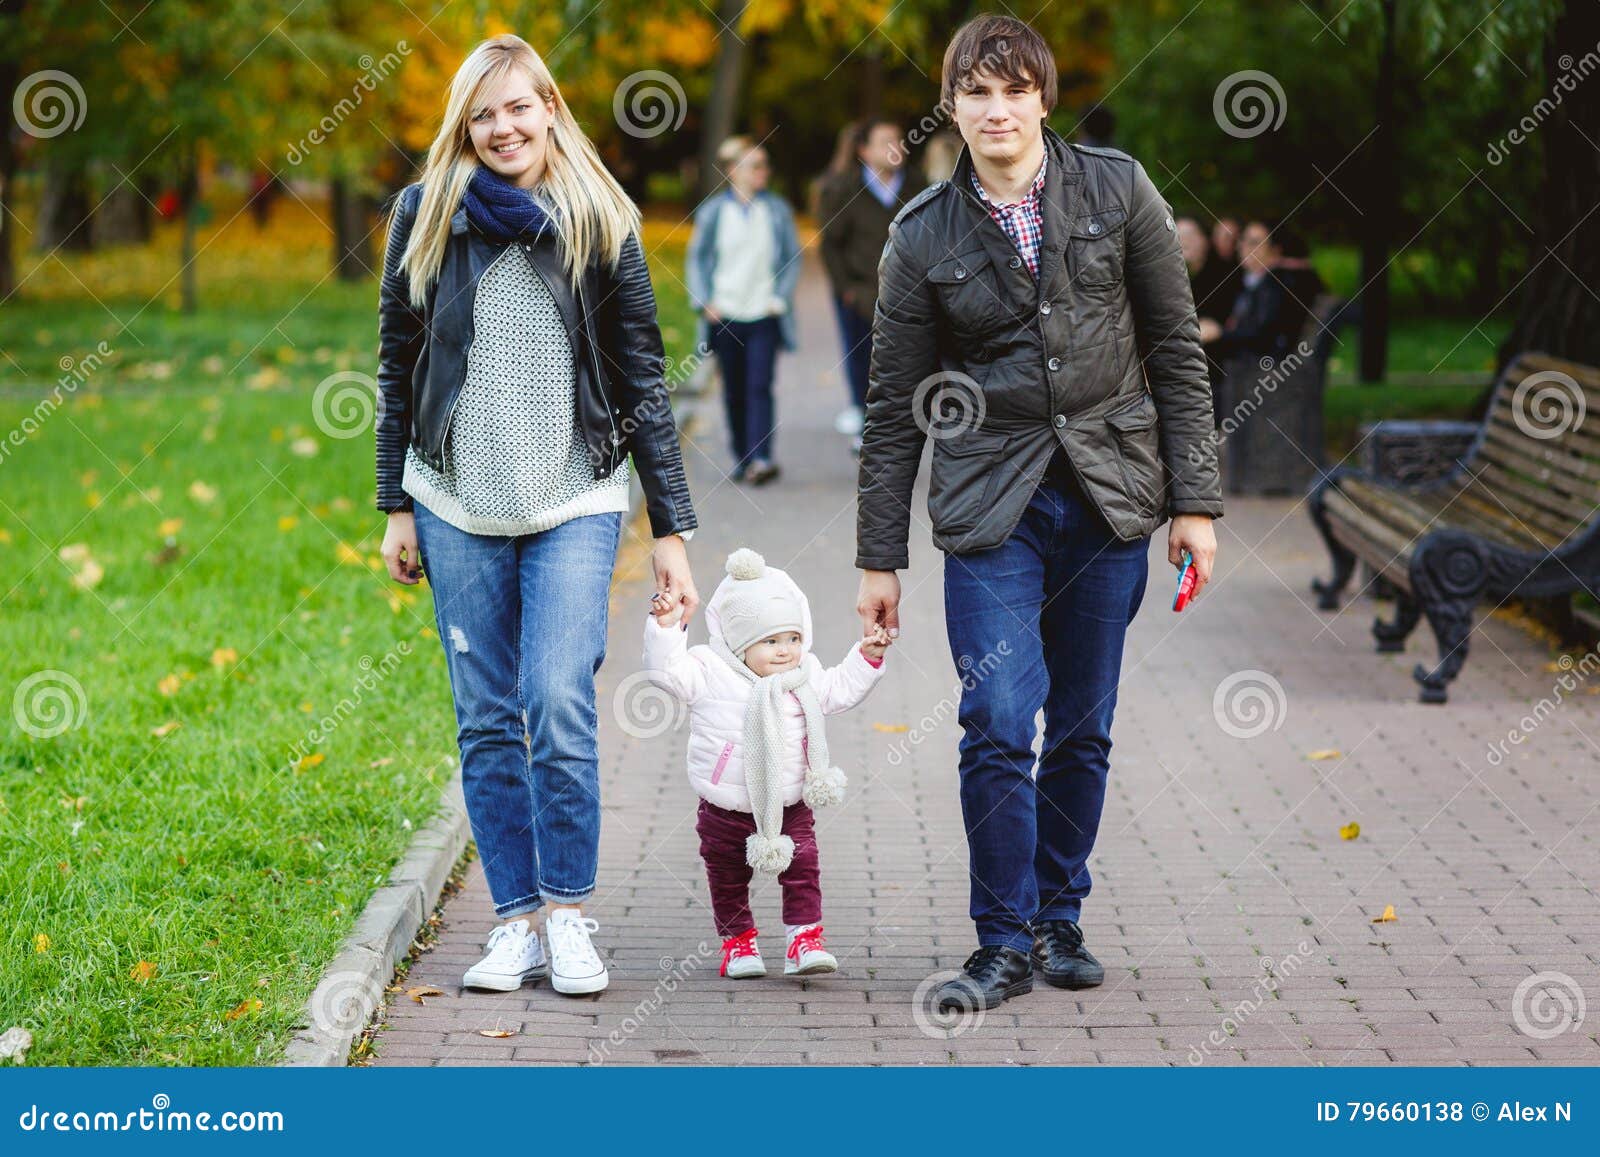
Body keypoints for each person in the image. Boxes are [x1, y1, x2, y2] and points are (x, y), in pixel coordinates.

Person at [854, 13, 1222, 1013]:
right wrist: (879, 559)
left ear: (1043, 99)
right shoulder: (921, 233)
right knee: (996, 715)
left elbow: (1176, 349)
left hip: (1111, 495)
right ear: (952, 105)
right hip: (990, 505)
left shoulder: (1119, 188)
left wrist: (1195, 503)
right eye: (976, 92)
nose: (997, 110)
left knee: (1082, 725)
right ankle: (1003, 938)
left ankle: (1060, 912)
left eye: (1014, 90)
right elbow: (892, 408)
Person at [375, 33, 699, 997]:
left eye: (519, 106)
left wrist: (672, 530)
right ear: (464, 127)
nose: (503, 127)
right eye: (483, 114)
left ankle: (567, 913)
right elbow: (397, 362)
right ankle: (514, 921)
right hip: (454, 499)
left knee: (556, 699)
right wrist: (394, 503)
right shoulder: (425, 213)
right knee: (485, 718)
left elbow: (643, 377)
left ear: (550, 107)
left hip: (574, 495)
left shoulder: (601, 216)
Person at [642, 549, 891, 979]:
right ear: (740, 643)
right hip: (724, 805)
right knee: (727, 877)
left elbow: (840, 689)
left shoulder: (804, 675)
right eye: (770, 641)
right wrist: (666, 628)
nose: (785, 651)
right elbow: (666, 672)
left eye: (792, 638)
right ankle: (738, 943)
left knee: (802, 868)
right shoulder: (708, 671)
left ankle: (804, 939)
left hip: (790, 801)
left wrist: (866, 657)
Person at [686, 136, 802, 486]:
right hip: (725, 314)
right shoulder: (713, 213)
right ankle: (743, 456)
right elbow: (698, 259)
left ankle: (761, 458)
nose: (763, 172)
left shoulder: (777, 211)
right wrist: (704, 301)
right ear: (734, 170)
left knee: (760, 385)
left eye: (765, 165)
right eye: (756, 165)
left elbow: (792, 257)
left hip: (764, 313)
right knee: (735, 390)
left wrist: (779, 299)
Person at [818, 119, 928, 451]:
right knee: (862, 361)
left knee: (908, 363)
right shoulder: (844, 189)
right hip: (859, 294)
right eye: (885, 141)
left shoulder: (919, 185)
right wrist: (846, 290)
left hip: (910, 294)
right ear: (864, 151)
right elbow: (831, 244)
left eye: (898, 139)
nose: (895, 147)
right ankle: (866, 426)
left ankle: (902, 430)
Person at [1200, 219, 1323, 363]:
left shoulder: (1280, 282)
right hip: (1253, 361)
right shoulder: (1256, 280)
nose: (1243, 246)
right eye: (1243, 240)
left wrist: (1219, 333)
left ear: (1275, 250)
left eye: (1254, 242)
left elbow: (1262, 334)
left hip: (1266, 365)